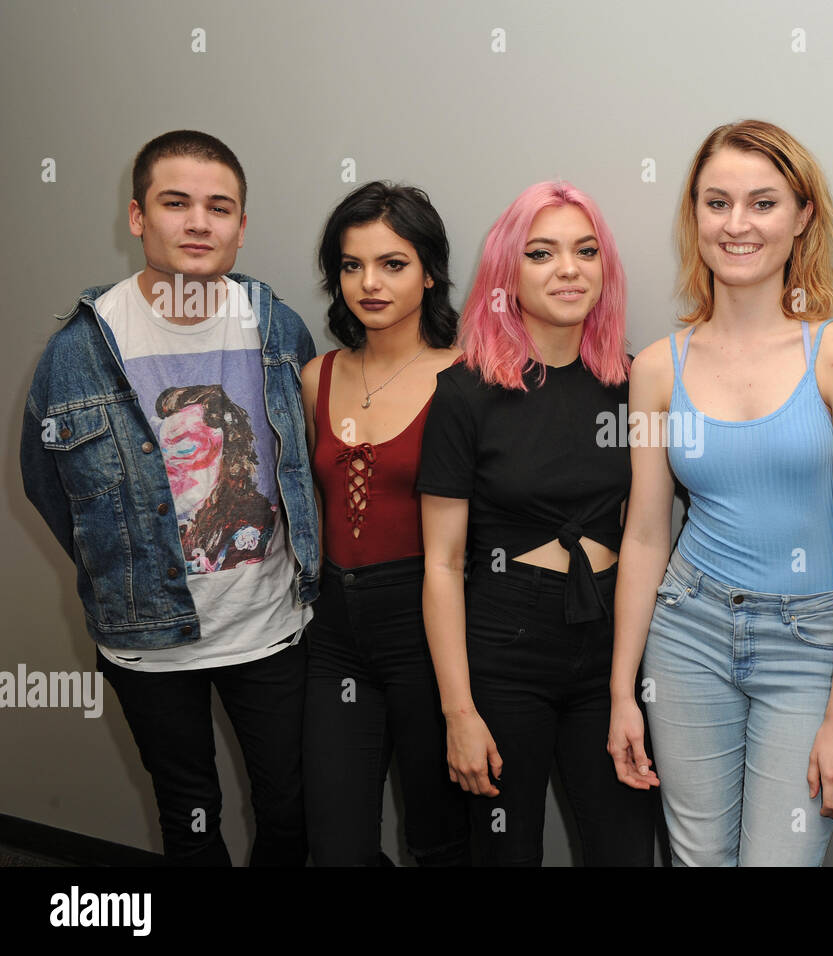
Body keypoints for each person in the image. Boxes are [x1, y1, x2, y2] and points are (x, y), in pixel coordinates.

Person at [20, 129, 319, 865]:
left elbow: (306, 462)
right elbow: (48, 488)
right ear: (136, 217)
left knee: (289, 810)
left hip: (270, 629)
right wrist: (130, 568)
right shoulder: (78, 352)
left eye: (220, 207)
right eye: (175, 202)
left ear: (242, 227)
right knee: (189, 819)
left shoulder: (275, 327)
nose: (198, 222)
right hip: (147, 646)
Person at [609, 120, 833, 866]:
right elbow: (644, 535)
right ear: (693, 217)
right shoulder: (658, 369)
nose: (737, 224)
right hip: (686, 633)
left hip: (809, 644)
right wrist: (621, 693)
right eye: (716, 202)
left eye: (762, 203)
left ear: (801, 218)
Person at [417, 181, 656, 866]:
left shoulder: (635, 383)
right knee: (503, 851)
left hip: (610, 641)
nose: (569, 269)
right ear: (506, 275)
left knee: (624, 850)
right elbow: (441, 564)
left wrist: (627, 682)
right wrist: (458, 713)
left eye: (586, 251)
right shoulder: (465, 393)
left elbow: (645, 532)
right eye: (542, 253)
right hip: (503, 647)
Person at [299, 181, 470, 866]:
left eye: (393, 264)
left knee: (440, 840)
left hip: (428, 634)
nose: (368, 283)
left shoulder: (468, 378)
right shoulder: (318, 375)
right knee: (335, 843)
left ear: (430, 272)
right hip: (335, 635)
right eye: (351, 265)